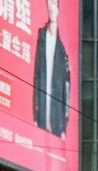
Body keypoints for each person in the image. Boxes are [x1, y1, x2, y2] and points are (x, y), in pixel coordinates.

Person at [33, 0, 71, 138]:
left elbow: (66, 89)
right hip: (41, 111)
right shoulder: (41, 37)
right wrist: (35, 116)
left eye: (55, 4)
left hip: (56, 120)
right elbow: (35, 76)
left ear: (59, 9)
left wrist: (64, 126)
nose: (52, 8)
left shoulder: (62, 50)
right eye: (49, 4)